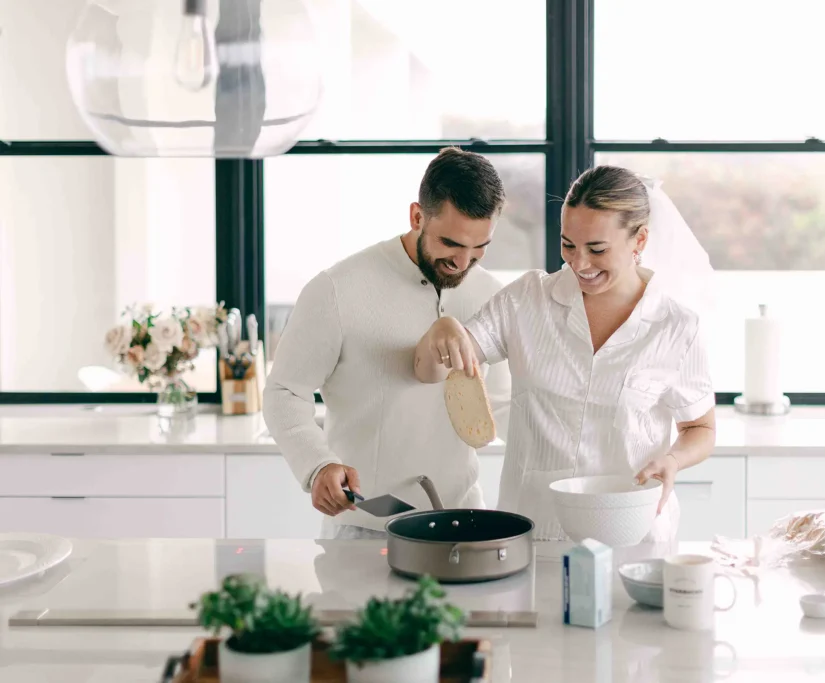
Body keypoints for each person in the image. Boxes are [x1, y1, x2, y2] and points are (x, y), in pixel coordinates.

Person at [414, 165, 716, 542]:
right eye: (568, 244)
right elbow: (430, 371)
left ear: (639, 240)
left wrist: (672, 460)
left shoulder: (676, 328)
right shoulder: (526, 300)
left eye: (597, 249)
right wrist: (441, 330)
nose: (579, 263)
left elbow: (700, 429)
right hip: (537, 531)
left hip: (632, 531)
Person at [264, 147, 512, 540]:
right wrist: (317, 465)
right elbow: (283, 392)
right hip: (365, 528)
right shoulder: (337, 290)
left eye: (479, 248)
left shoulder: (492, 296)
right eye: (451, 243)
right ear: (417, 216)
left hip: (464, 524)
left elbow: (501, 404)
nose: (463, 263)